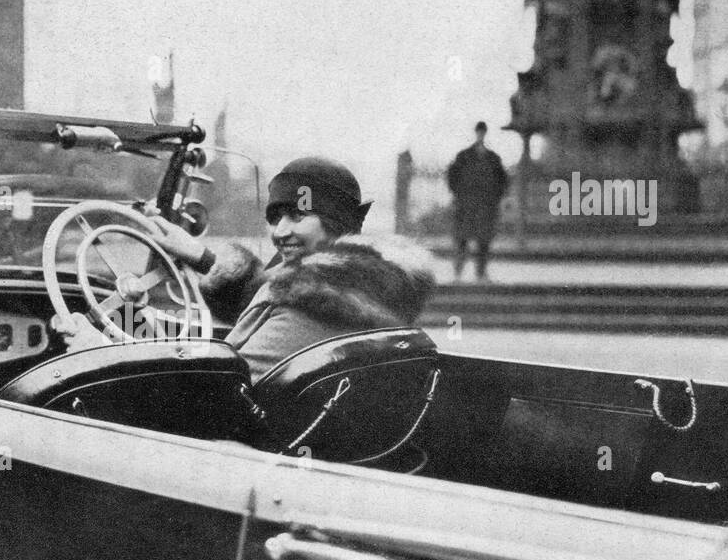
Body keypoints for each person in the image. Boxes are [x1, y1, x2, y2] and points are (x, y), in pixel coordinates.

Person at [57, 156, 435, 382]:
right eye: (274, 218)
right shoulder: (356, 287)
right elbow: (272, 300)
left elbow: (216, 395)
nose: (280, 232)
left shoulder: (311, 306)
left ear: (335, 222)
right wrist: (199, 255)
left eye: (298, 217)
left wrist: (101, 353)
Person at [446, 121, 508, 282]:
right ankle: (458, 274)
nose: (481, 134)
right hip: (466, 206)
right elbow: (452, 177)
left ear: (485, 133)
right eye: (479, 131)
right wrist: (459, 196)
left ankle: (481, 274)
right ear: (476, 133)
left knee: (483, 242)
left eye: (483, 132)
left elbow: (502, 181)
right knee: (462, 241)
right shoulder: (464, 156)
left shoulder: (493, 158)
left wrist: (495, 199)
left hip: (485, 207)